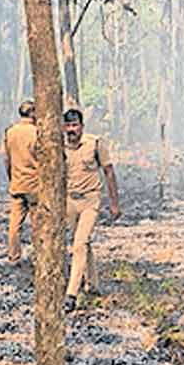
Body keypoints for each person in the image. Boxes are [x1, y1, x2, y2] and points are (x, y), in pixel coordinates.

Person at [62, 108, 121, 311]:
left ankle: (71, 293)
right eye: (68, 126)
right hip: (70, 201)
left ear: (82, 126)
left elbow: (109, 172)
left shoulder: (95, 143)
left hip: (90, 201)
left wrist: (114, 203)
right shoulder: (59, 147)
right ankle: (93, 284)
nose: (71, 130)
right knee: (82, 242)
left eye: (75, 125)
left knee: (79, 244)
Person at [4, 99, 38, 262]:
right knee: (37, 223)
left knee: (15, 224)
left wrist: (11, 177)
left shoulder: (10, 132)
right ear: (33, 113)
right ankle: (39, 253)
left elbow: (7, 159)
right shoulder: (37, 132)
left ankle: (13, 255)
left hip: (17, 183)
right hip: (34, 184)